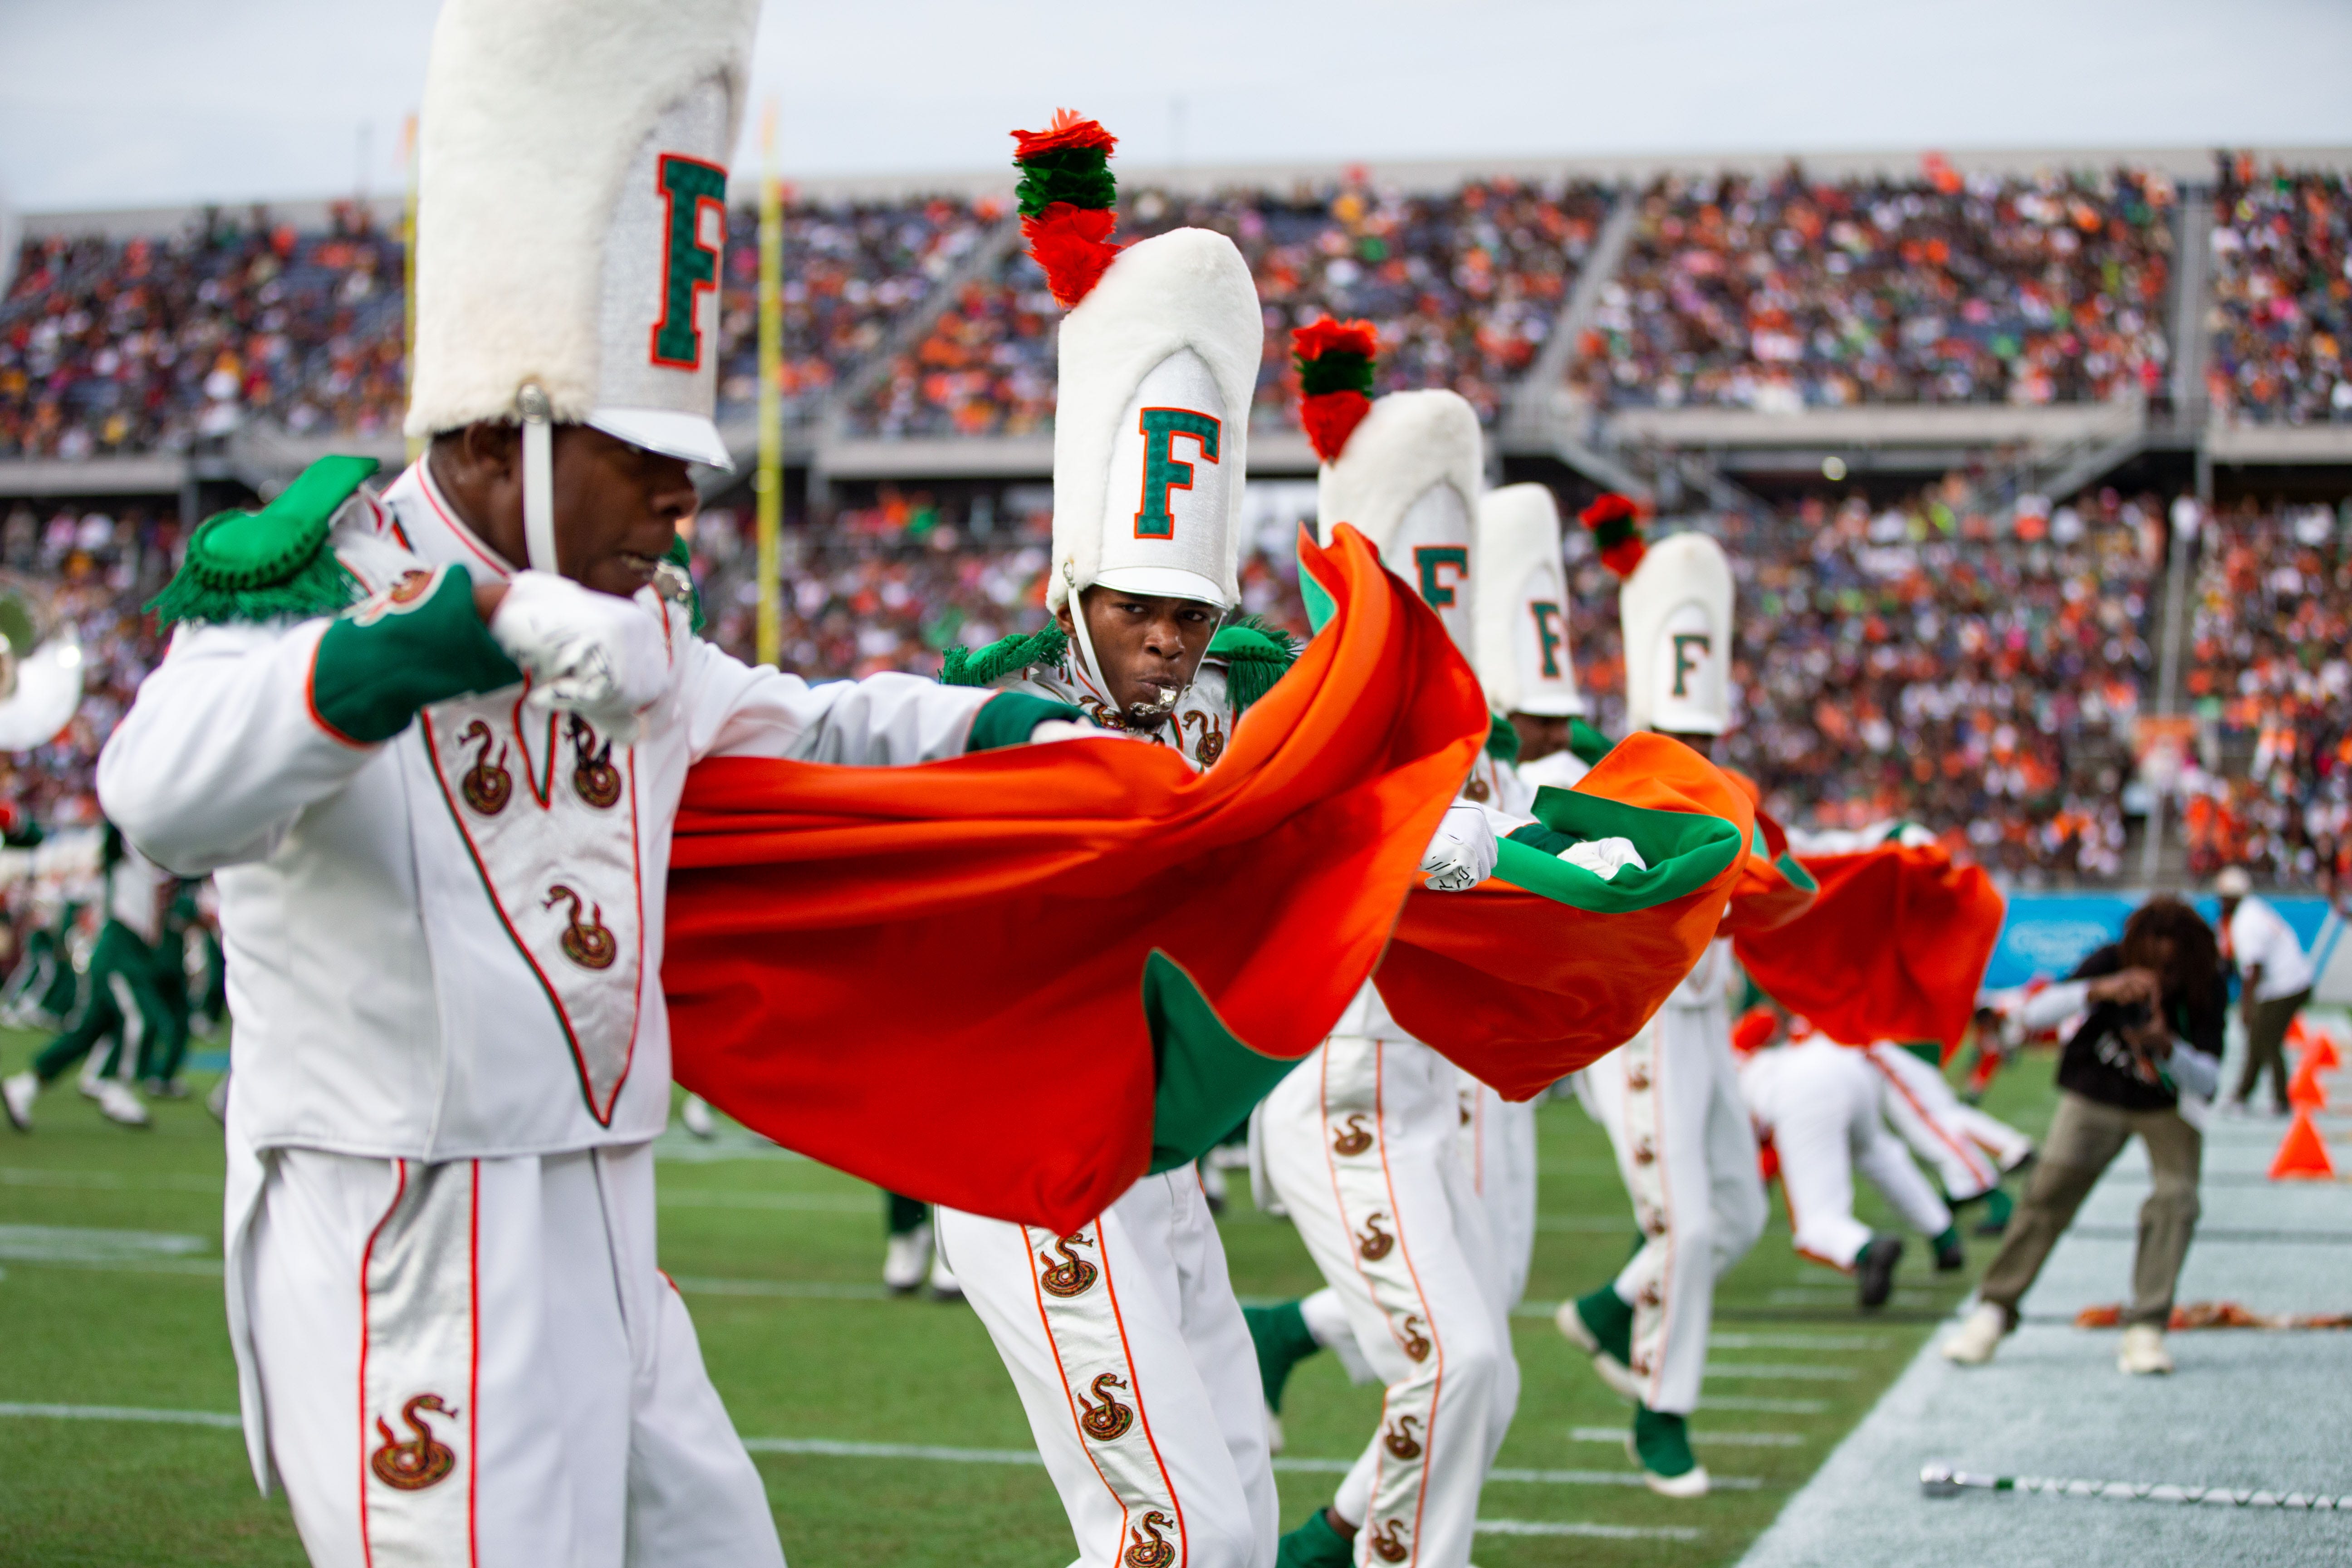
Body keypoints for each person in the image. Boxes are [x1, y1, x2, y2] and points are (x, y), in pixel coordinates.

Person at [91, 5, 1093, 1563]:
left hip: (603, 1203)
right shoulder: (316, 578)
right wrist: (423, 648)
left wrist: (1006, 726)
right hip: (413, 1221)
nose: (687, 496)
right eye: (643, 452)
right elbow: (157, 792)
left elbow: (805, 722)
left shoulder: (634, 615)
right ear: (502, 433)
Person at [1559, 520, 1767, 1497]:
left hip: (1705, 1015)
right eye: (1680, 733)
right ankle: (1661, 1409)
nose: (1696, 749)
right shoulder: (1606, 777)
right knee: (1683, 1222)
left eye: (1706, 735)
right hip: (1641, 1018)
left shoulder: (1726, 784)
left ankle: (1607, 1309)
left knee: (1741, 1210)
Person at [1944, 897, 2224, 1377]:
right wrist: (2099, 990)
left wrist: (2166, 1047)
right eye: (2148, 964)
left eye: (2169, 968)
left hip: (2167, 1104)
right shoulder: (2111, 960)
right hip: (2096, 1092)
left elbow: (2211, 1081)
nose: (2157, 976)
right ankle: (1994, 1308)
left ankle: (2147, 1325)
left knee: (2177, 1199)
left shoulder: (2205, 984)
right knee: (2048, 1193)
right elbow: (2032, 1015)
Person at [1736, 1015, 1963, 1307]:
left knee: (1815, 1226)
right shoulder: (1739, 1057)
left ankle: (1864, 1249)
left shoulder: (1715, 1079)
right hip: (1845, 1061)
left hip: (1801, 1090)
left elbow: (1756, 1158)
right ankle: (1943, 1235)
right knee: (1877, 1153)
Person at [4, 822, 183, 1131]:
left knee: (87, 1032)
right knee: (144, 1019)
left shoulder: (156, 858)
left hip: (135, 950)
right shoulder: (126, 849)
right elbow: (119, 818)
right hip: (119, 949)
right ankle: (116, 1087)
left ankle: (25, 1087)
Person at [1864, 1036, 2034, 1235]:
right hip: (1895, 1044)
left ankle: (1992, 1195)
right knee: (1942, 1116)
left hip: (1876, 1047)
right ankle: (2003, 1153)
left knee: (1930, 1127)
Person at [2215, 865, 2314, 1117]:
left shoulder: (2245, 922)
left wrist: (2246, 1007)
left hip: (2285, 986)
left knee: (2266, 1041)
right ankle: (2245, 1094)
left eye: (2223, 898)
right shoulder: (2253, 910)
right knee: (2260, 1040)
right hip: (2291, 982)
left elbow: (2253, 970)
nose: (2219, 903)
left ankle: (2277, 1100)